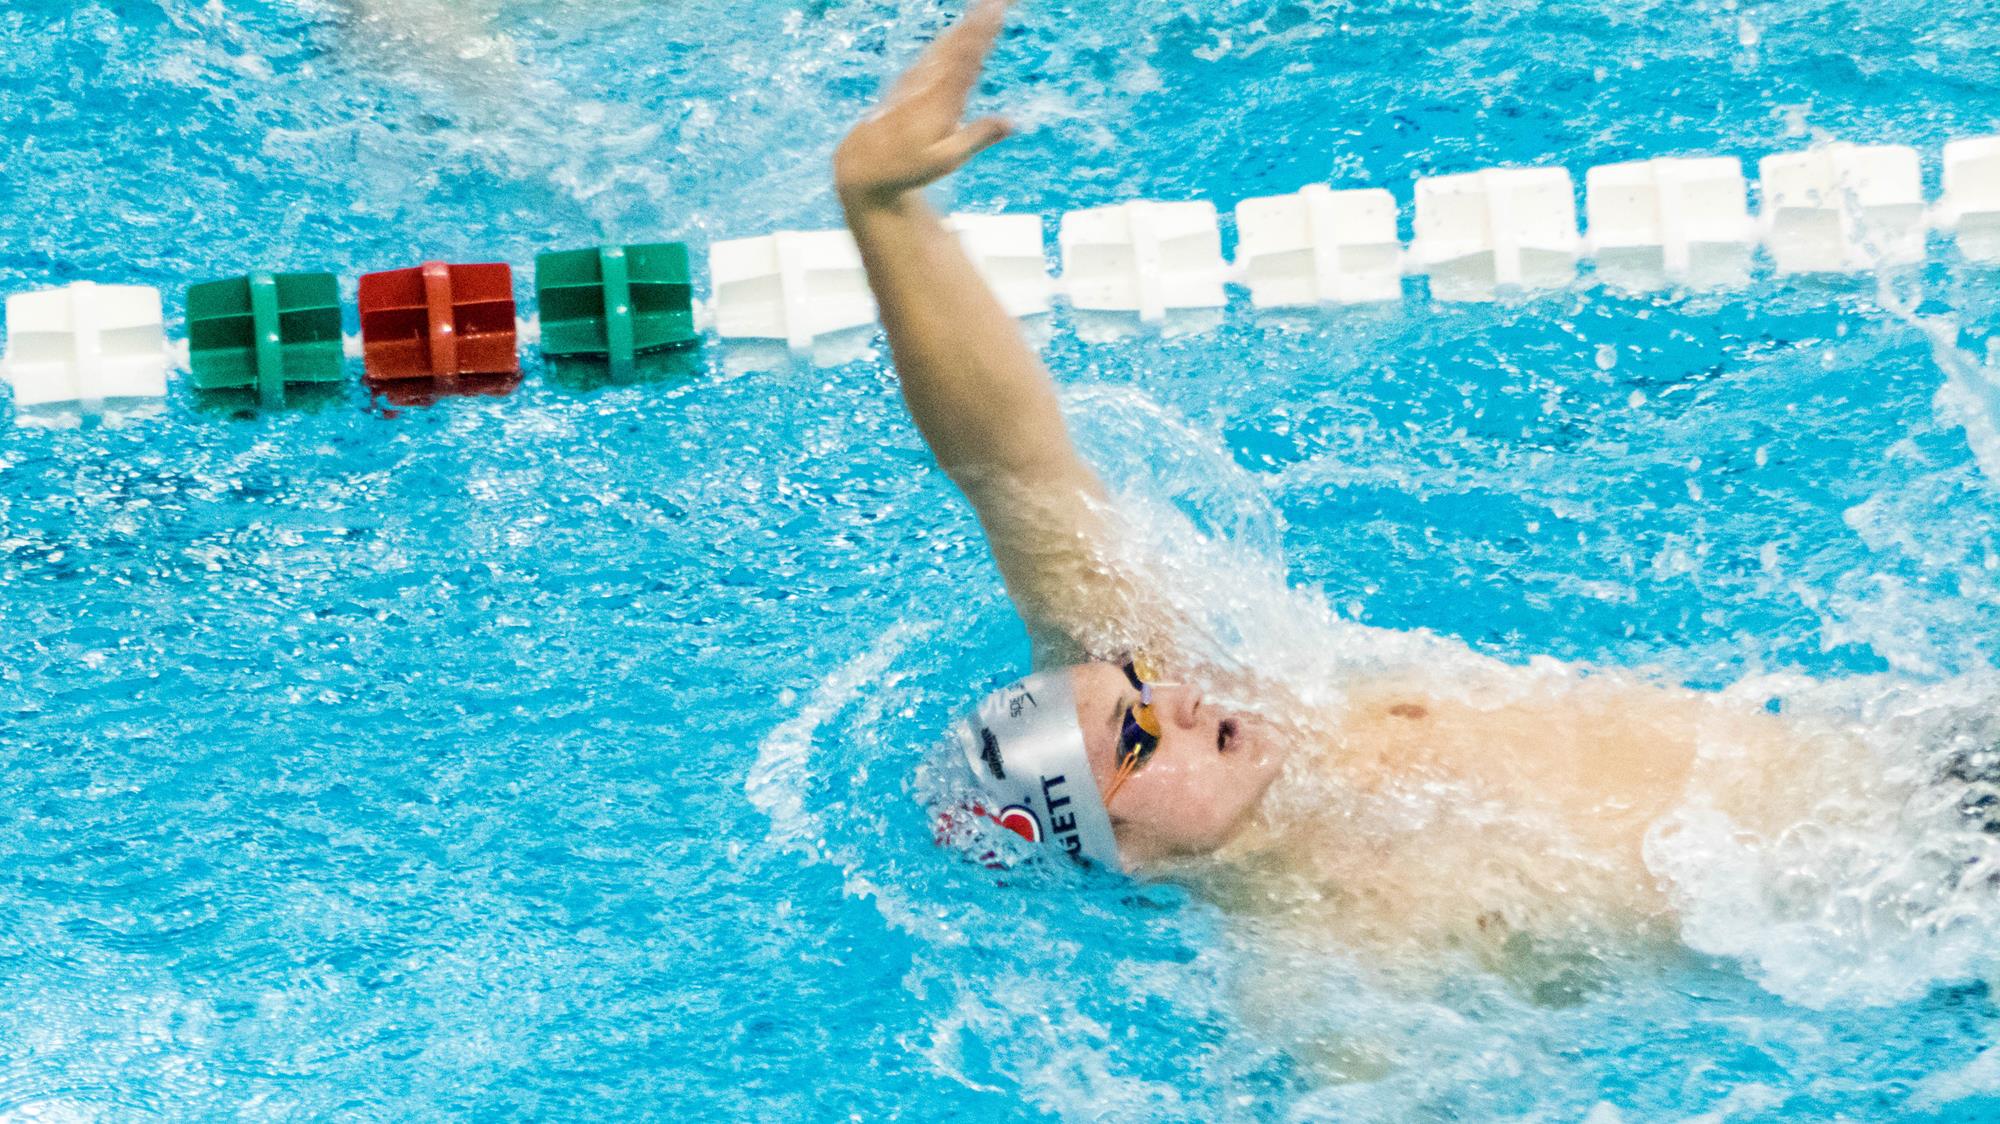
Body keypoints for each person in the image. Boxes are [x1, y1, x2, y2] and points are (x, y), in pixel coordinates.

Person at [833, 0, 1998, 970]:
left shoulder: (1228, 698)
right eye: (1138, 739)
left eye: (1134, 681)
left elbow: (1009, 464)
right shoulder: (1341, 953)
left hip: (1919, 753)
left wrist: (881, 212)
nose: (1170, 693)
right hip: (1931, 908)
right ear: (1121, 851)